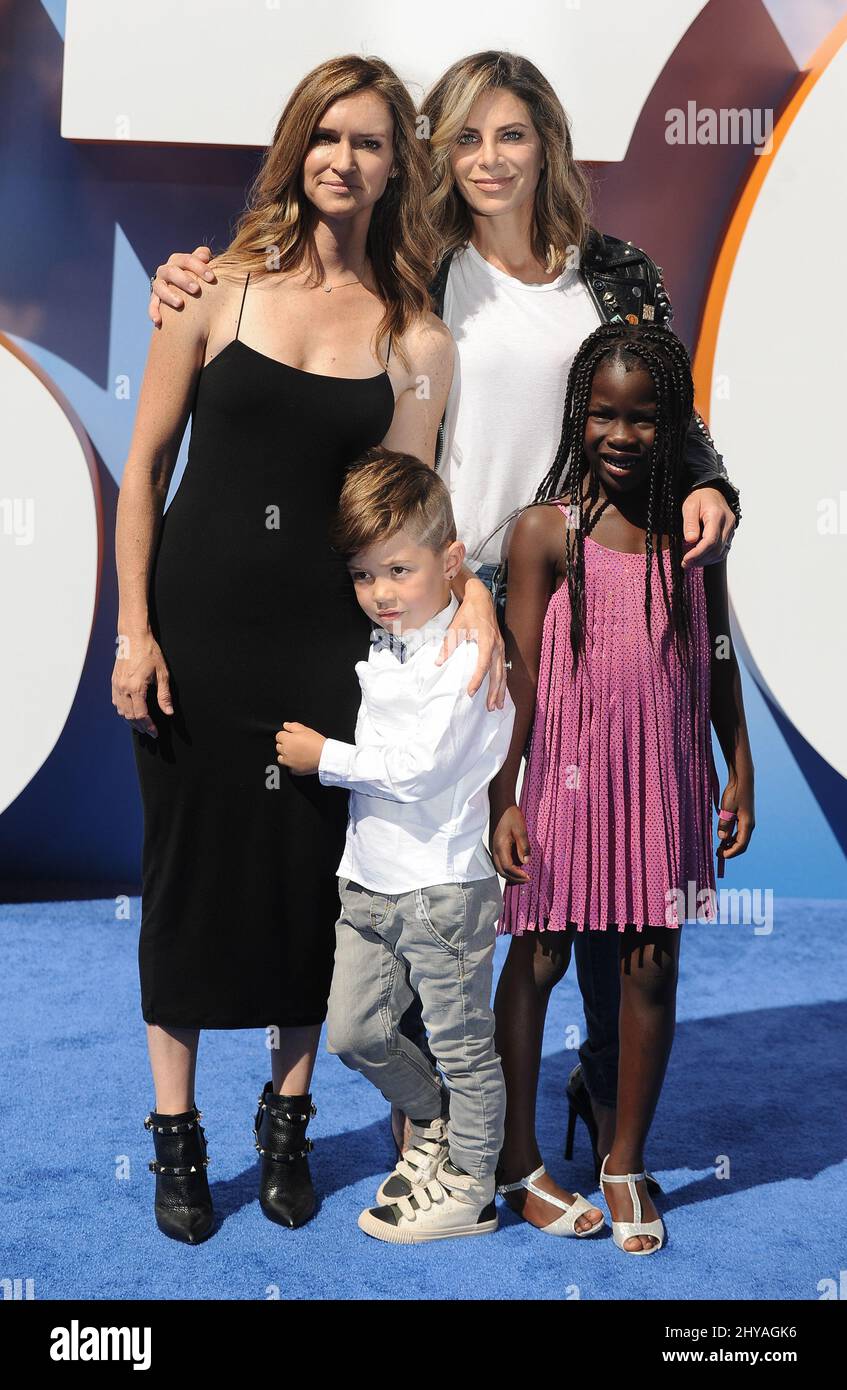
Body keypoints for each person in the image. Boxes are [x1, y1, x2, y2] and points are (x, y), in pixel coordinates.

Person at [146, 48, 740, 1182]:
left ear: (546, 145)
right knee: (455, 874)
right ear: (435, 155)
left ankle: (601, 1112)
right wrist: (191, 271)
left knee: (607, 879)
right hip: (456, 606)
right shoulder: (422, 272)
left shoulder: (617, 275)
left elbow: (674, 419)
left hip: (595, 608)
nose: (487, 157)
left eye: (509, 134)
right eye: (462, 137)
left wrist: (711, 484)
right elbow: (313, 315)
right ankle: (452, 1128)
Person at [112, 54, 505, 1246]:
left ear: (399, 167)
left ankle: (284, 1123)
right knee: (185, 876)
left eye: (373, 142)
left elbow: (413, 514)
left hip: (327, 652)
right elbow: (142, 471)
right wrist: (133, 630)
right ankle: (175, 1135)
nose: (346, 158)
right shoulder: (211, 290)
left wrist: (472, 597)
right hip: (195, 635)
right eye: (328, 135)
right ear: (299, 147)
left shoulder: (418, 335)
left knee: (304, 886)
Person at [489, 322, 755, 1252]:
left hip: (662, 778)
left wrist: (740, 763)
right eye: (602, 412)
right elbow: (516, 678)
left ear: (673, 424)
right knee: (537, 958)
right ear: (576, 413)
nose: (620, 432)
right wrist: (501, 794)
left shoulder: (692, 531)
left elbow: (715, 657)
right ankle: (516, 1154)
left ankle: (624, 1160)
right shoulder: (542, 532)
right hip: (563, 779)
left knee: (653, 966)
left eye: (643, 418)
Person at [276, 448, 520, 1242]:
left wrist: (326, 759)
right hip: (370, 880)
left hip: (443, 888)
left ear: (451, 563)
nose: (379, 593)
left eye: (398, 571)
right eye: (363, 575)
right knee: (356, 1033)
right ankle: (437, 1124)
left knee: (462, 1046)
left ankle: (472, 1190)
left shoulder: (467, 654)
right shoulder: (394, 637)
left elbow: (418, 771)